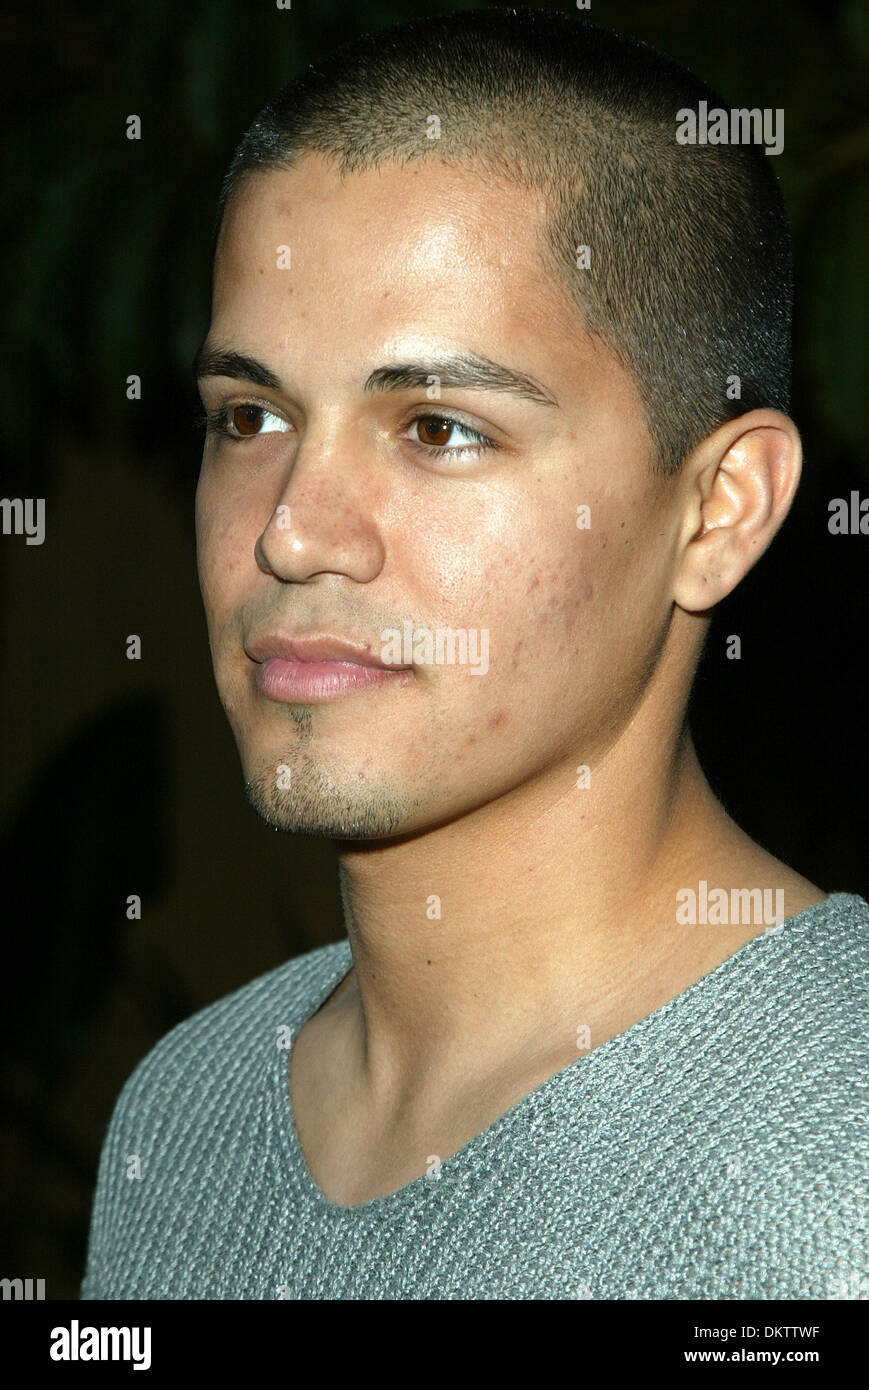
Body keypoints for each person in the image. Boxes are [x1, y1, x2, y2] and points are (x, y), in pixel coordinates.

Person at [81, 5, 867, 1299]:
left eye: (439, 427)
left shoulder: (836, 1169)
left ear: (717, 509)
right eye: (252, 414)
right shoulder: (182, 1116)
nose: (290, 532)